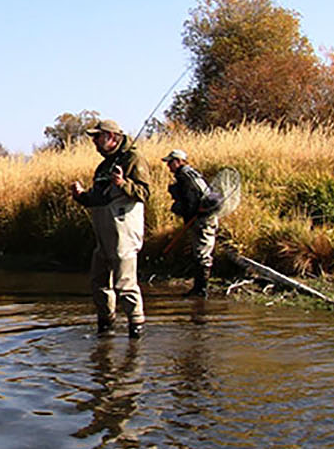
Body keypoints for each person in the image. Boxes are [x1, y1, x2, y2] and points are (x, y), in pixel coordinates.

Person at [67, 119, 151, 337]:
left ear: (112, 137)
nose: (94, 141)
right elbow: (97, 199)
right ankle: (106, 328)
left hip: (124, 232)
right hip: (103, 233)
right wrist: (81, 196)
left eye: (98, 137)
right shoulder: (103, 166)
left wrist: (123, 184)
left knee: (125, 283)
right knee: (98, 282)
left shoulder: (134, 158)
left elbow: (145, 193)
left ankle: (136, 329)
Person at [163, 149, 221, 296]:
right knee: (200, 252)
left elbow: (191, 201)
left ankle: (201, 290)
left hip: (203, 220)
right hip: (202, 218)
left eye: (170, 162)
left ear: (178, 161)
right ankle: (199, 288)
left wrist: (188, 213)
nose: (168, 166)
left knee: (202, 254)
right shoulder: (190, 174)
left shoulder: (185, 177)